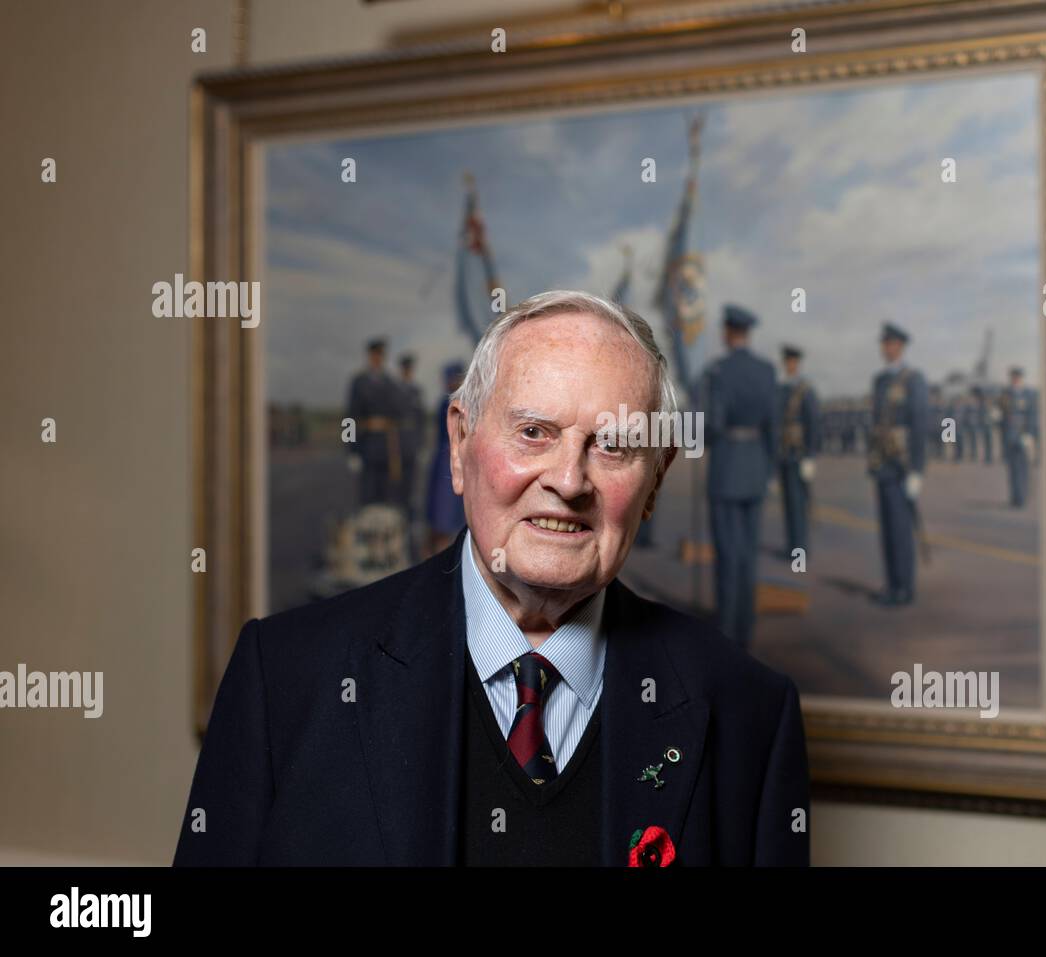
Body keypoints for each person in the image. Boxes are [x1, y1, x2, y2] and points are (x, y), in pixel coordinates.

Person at [174, 290, 809, 867]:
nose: (568, 481)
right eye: (533, 433)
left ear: (655, 482)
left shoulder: (748, 710)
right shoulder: (284, 678)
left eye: (612, 446)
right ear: (458, 444)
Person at [702, 304, 779, 650]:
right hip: (755, 467)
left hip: (726, 466)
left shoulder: (718, 371)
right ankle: (745, 625)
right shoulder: (766, 370)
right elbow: (773, 425)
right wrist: (770, 469)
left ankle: (727, 626)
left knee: (727, 552)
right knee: (748, 552)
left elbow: (712, 424)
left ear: (727, 332)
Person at [866, 322, 928, 607]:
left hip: (902, 465)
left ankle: (904, 588)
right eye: (884, 344)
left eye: (891, 344)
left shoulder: (913, 379)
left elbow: (918, 425)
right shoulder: (879, 381)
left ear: (901, 347)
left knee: (901, 529)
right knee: (887, 528)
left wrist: (917, 470)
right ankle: (891, 583)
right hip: (883, 464)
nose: (887, 348)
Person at [345, 337, 403, 506]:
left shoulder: (390, 383)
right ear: (369, 356)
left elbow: (396, 416)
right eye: (375, 355)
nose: (377, 358)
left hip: (386, 446)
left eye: (380, 355)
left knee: (386, 494)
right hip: (367, 444)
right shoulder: (358, 382)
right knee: (367, 494)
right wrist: (351, 451)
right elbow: (349, 418)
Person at [777, 345, 820, 557]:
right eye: (787, 361)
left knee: (799, 504)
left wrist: (810, 457)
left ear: (797, 363)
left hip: (799, 454)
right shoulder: (781, 388)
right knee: (788, 503)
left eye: (792, 361)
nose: (789, 365)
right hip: (784, 454)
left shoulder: (806, 390)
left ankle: (800, 548)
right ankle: (792, 546)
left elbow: (813, 424)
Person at [424, 360, 467, 557]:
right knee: (441, 516)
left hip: (456, 460)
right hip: (446, 462)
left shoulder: (462, 402)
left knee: (454, 519)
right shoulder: (448, 403)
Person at [395, 352, 426, 524]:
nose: (408, 372)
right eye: (405, 369)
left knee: (412, 486)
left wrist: (420, 444)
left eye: (410, 369)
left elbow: (420, 419)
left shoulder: (416, 391)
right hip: (395, 445)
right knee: (396, 485)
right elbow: (350, 419)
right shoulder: (393, 391)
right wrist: (351, 445)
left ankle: (409, 520)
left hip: (411, 443)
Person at [1000, 366, 1038, 508]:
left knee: (1023, 468)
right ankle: (1014, 497)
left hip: (1023, 435)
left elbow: (1032, 415)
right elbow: (1002, 415)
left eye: (1017, 378)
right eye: (1013, 378)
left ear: (1021, 379)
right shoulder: (1006, 394)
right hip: (1010, 435)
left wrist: (1030, 434)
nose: (1015, 380)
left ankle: (1022, 498)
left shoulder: (1028, 395)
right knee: (1012, 469)